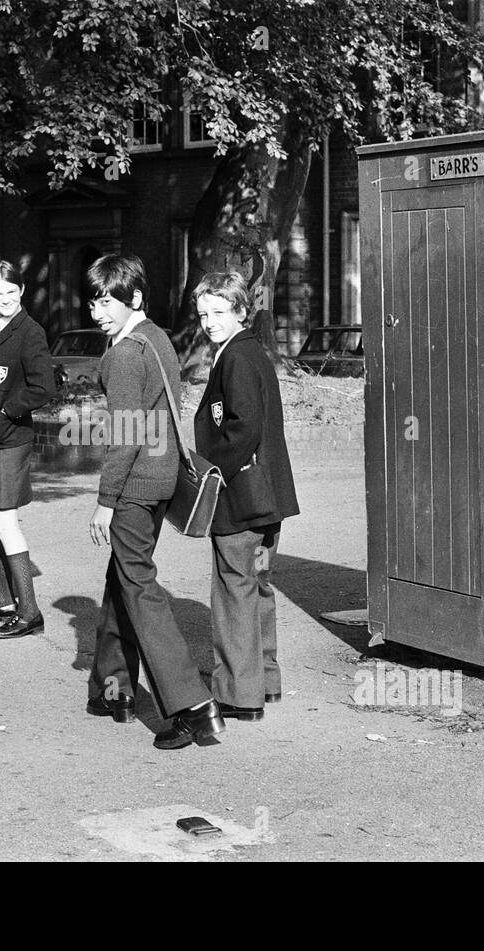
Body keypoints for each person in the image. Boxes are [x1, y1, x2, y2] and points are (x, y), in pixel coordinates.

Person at [83, 254, 223, 750]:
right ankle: (114, 689)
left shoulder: (125, 354)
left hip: (135, 485)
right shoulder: (156, 337)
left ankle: (192, 705)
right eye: (94, 302)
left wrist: (106, 501)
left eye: (108, 302)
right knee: (121, 578)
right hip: (161, 480)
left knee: (139, 587)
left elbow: (124, 435)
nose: (98, 313)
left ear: (134, 298)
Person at [192, 272, 299, 720]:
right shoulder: (251, 352)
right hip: (268, 496)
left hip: (241, 497)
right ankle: (265, 681)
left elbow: (242, 428)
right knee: (258, 586)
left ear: (240, 311)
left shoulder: (234, 357)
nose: (209, 322)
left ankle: (239, 694)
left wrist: (209, 470)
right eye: (203, 314)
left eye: (219, 312)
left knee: (234, 590)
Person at [0, 260, 55, 639]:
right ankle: (3, 600)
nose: (4, 299)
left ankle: (29, 611)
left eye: (11, 292)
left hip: (10, 439)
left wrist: (7, 409)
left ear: (22, 291)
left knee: (5, 521)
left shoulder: (30, 332)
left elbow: (44, 387)